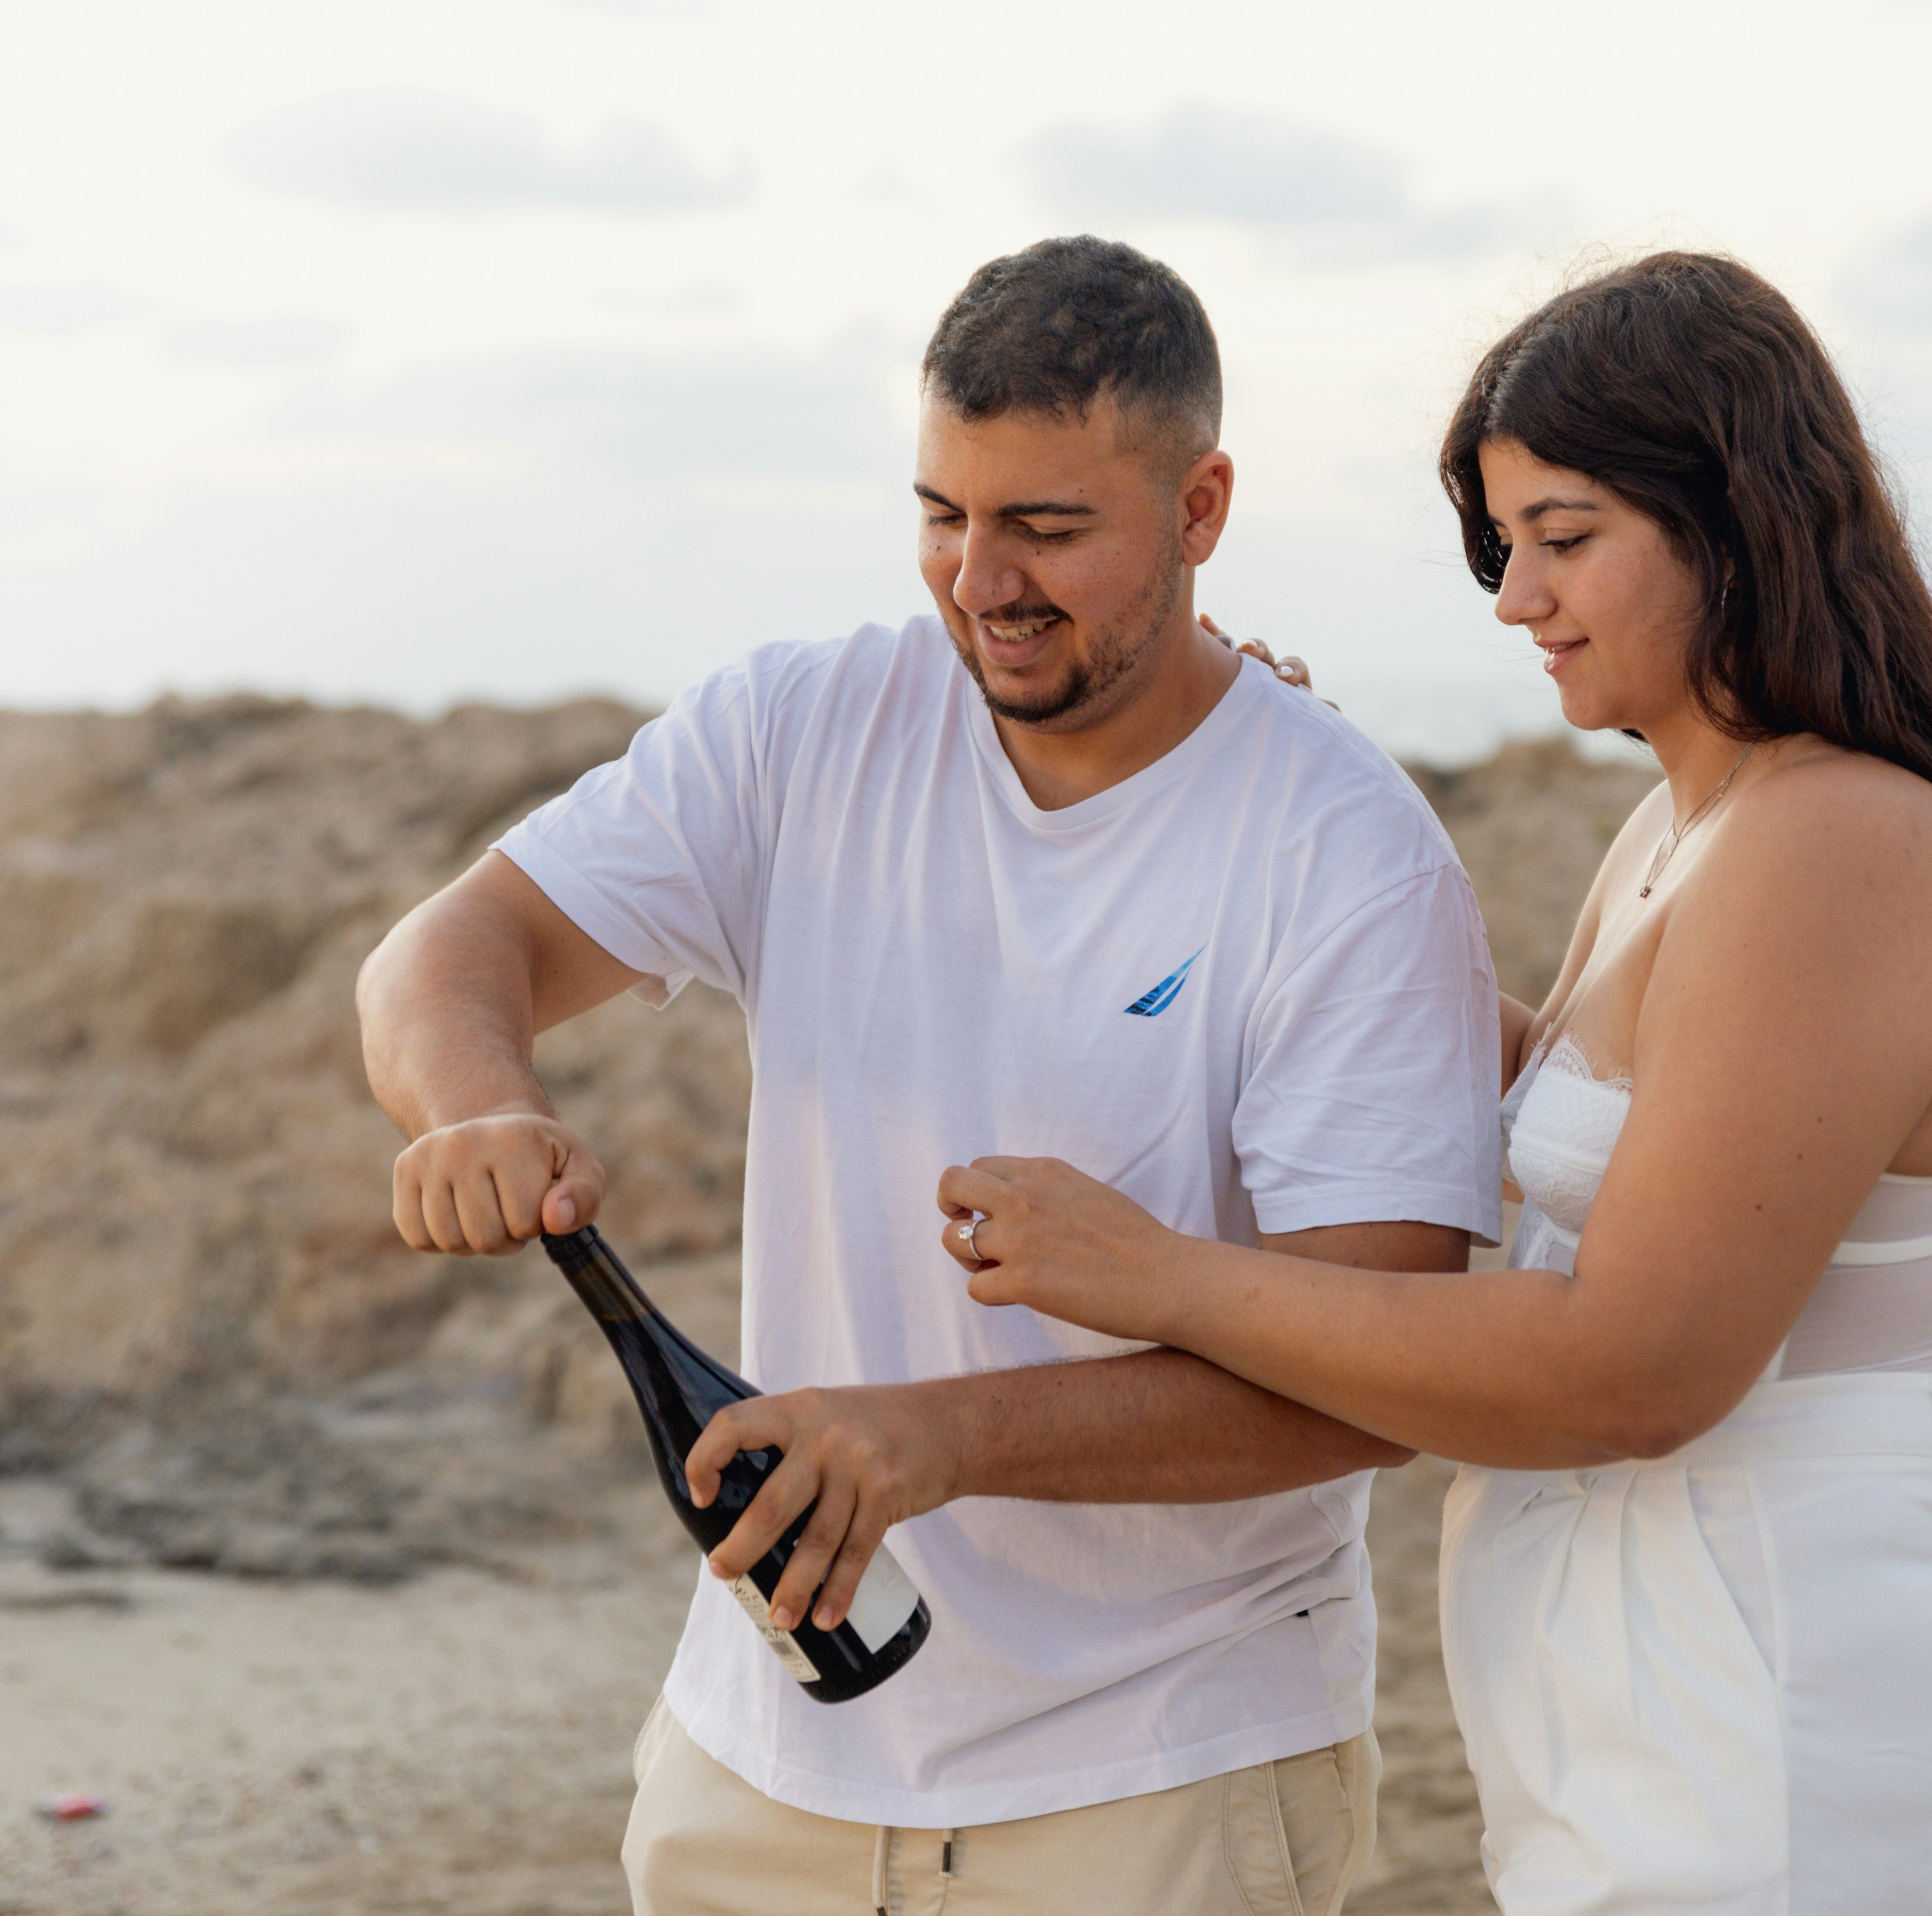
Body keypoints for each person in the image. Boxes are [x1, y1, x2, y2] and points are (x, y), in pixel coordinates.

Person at [354, 235, 1506, 1916]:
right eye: (942, 515)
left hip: (1159, 1777)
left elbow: (1383, 1373)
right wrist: (475, 1101)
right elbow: (449, 951)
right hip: (757, 1769)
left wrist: (937, 1440)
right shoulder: (805, 728)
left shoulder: (1347, 854)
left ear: (1202, 510)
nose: (980, 578)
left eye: (1048, 527)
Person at [941, 251, 1932, 1915]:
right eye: (1506, 545)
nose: (1515, 600)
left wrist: (1165, 1278)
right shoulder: (1686, 831)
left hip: (1775, 1708)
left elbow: (1635, 1367)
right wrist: (1275, 825)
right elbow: (1576, 1123)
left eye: (1566, 539)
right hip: (1631, 1707)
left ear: (1738, 519)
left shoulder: (1842, 845)